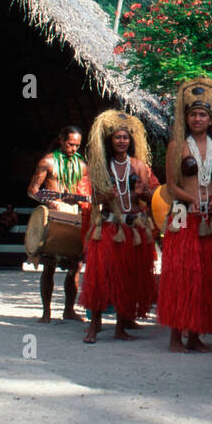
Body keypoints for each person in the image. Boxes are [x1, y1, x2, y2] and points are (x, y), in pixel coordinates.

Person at [158, 78, 212, 352]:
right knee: (182, 276)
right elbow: (171, 186)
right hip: (183, 218)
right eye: (193, 114)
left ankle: (195, 335)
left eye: (202, 114)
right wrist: (193, 199)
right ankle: (176, 336)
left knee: (206, 277)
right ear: (186, 118)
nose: (197, 119)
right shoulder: (177, 146)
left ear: (211, 118)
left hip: (211, 220)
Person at [80, 110, 159, 343]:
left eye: (125, 137)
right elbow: (91, 199)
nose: (122, 141)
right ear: (110, 140)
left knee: (129, 277)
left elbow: (156, 193)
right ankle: (94, 327)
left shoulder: (140, 167)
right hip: (108, 229)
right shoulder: (100, 168)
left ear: (130, 140)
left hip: (133, 229)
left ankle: (121, 328)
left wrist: (145, 193)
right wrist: (105, 196)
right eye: (117, 137)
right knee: (100, 277)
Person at [26, 126, 91, 324]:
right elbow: (32, 190)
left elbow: (86, 193)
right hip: (53, 216)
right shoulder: (47, 162)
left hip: (74, 216)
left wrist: (82, 201)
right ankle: (46, 312)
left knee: (75, 266)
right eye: (70, 144)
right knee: (49, 266)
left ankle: (68, 310)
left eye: (77, 145)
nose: (73, 148)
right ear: (61, 140)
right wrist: (48, 201)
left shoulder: (82, 165)